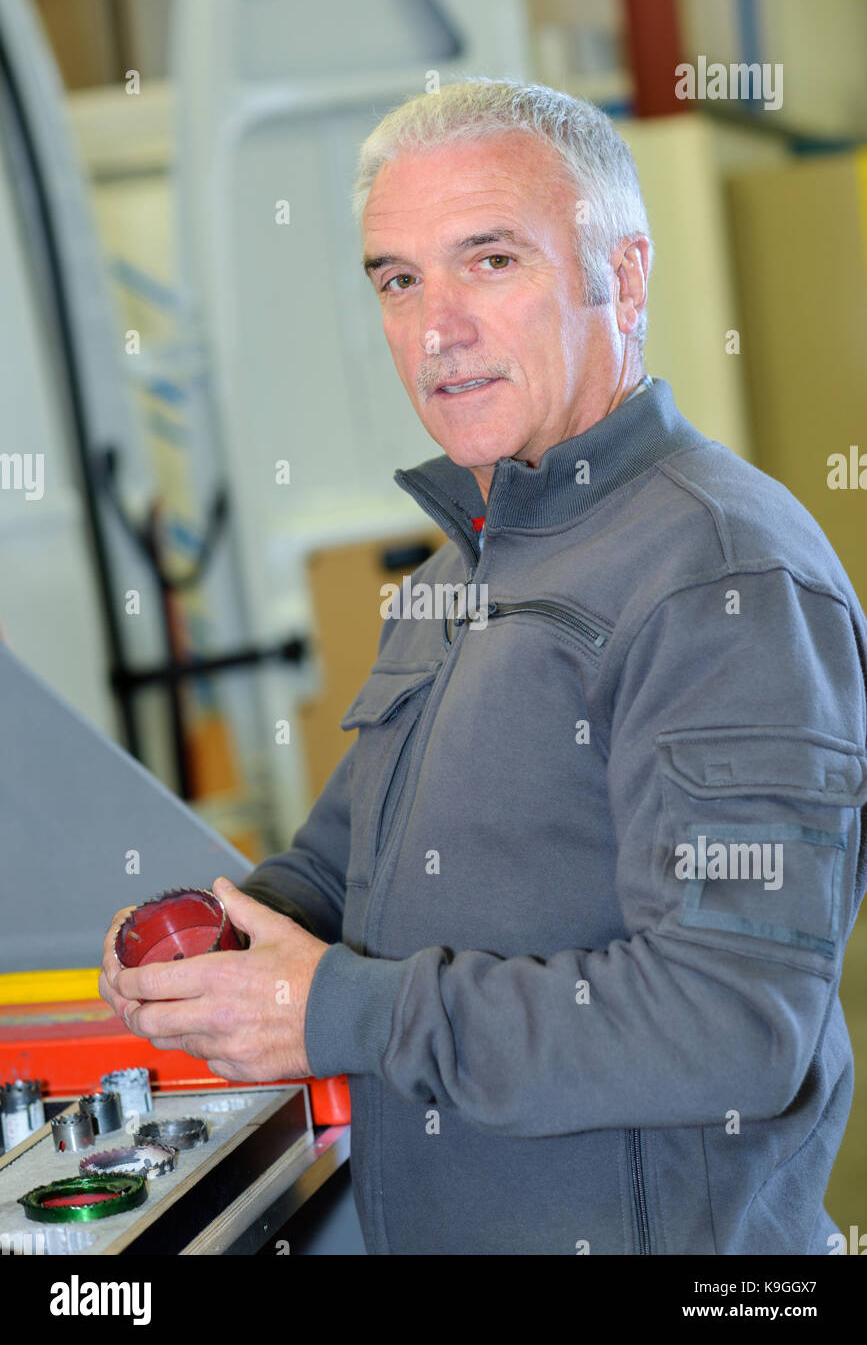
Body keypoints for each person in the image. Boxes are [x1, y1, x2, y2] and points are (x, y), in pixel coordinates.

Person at [101, 78, 867, 1255]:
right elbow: (340, 868)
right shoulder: (464, 567)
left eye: (490, 260)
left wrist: (337, 1009)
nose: (434, 326)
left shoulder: (722, 576)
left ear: (623, 275)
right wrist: (230, 936)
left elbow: (733, 1023)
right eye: (398, 279)